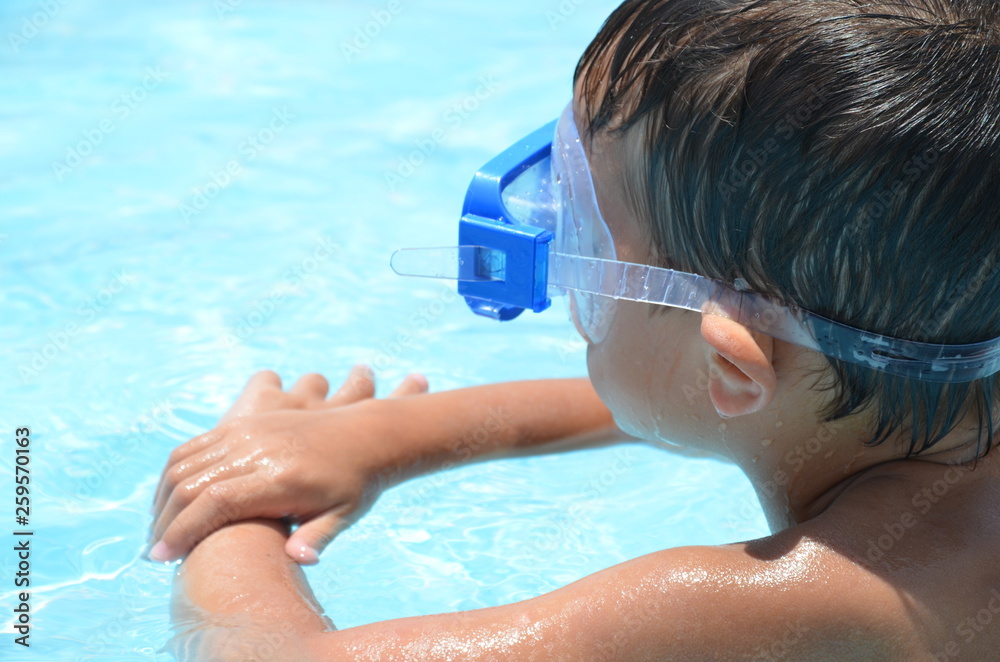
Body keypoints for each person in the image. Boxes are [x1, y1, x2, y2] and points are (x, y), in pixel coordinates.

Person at [152, 0, 1000, 659]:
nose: (556, 237)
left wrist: (233, 501)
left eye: (585, 237)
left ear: (733, 367)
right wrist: (390, 436)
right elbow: (681, 399)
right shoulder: (959, 381)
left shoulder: (797, 603)